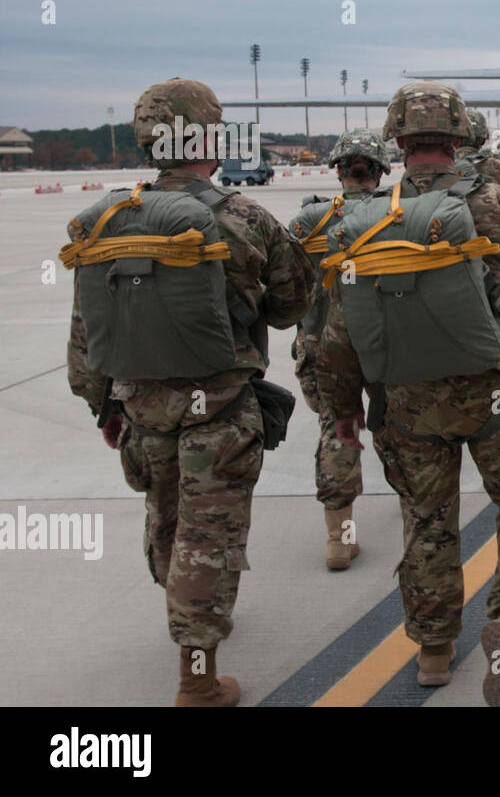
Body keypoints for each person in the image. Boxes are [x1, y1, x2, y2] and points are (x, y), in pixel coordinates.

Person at [62, 78, 314, 706]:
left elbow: (87, 332)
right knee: (210, 539)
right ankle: (197, 679)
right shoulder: (245, 216)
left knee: (169, 523)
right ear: (210, 139)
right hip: (220, 413)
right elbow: (292, 306)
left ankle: (185, 602)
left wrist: (104, 404)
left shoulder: (109, 219)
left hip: (142, 409)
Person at [316, 82, 500, 706]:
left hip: (406, 402)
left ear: (397, 142)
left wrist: (343, 408)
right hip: (495, 392)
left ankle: (432, 650)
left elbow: (339, 328)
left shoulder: (362, 218)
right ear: (459, 138)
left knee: (427, 523)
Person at [288, 129, 389, 569]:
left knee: (336, 428)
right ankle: (421, 514)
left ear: (339, 171)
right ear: (380, 170)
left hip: (320, 342)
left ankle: (339, 539)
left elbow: (282, 283)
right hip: (384, 342)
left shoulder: (309, 220)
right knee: (402, 430)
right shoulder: (394, 213)